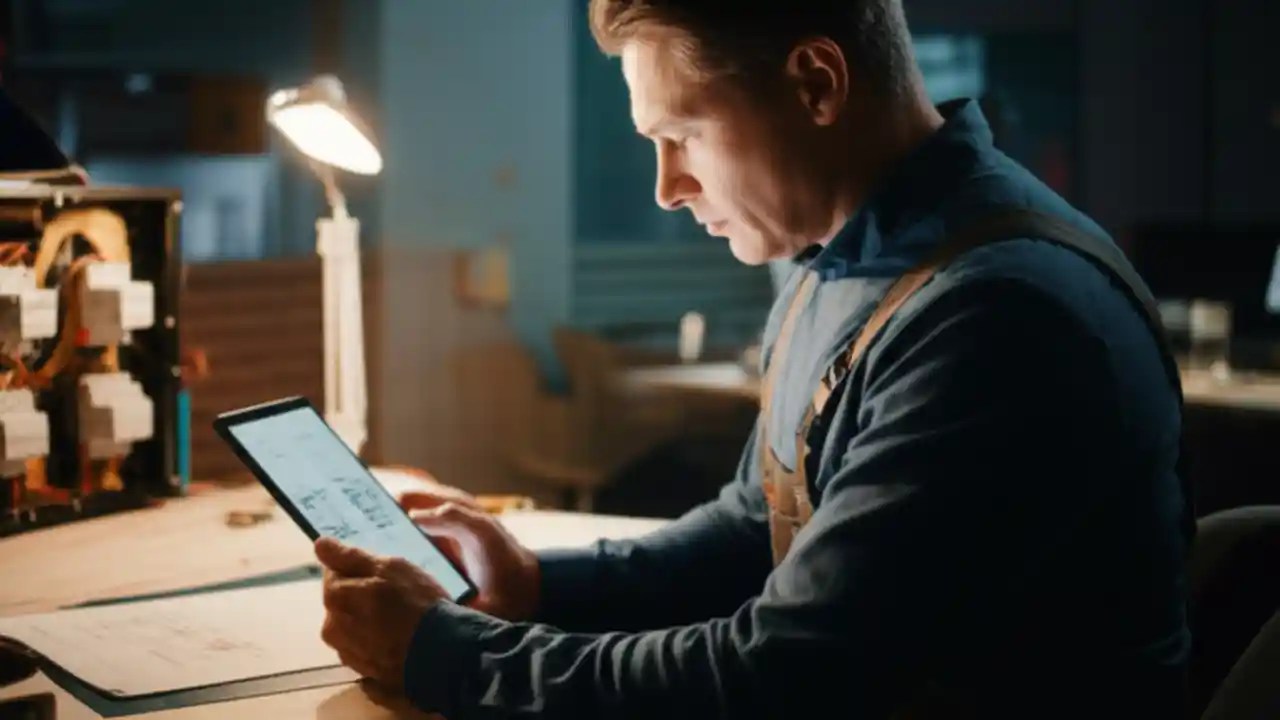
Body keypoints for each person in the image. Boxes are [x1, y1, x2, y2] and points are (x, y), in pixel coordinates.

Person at [313, 1, 1193, 717]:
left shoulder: (995, 315)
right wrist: (542, 584)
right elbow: (753, 529)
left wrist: (447, 655)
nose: (666, 187)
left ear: (816, 83)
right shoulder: (837, 265)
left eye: (683, 135)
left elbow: (787, 677)